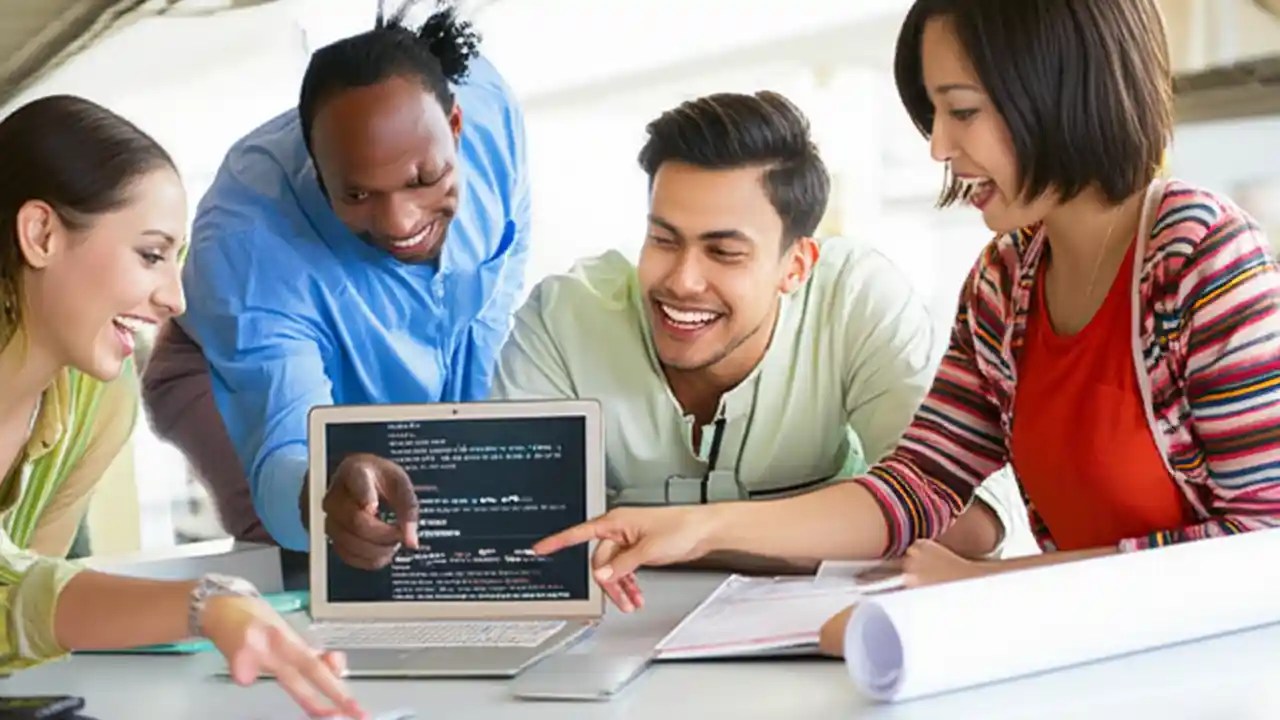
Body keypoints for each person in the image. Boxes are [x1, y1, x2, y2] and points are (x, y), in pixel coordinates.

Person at [531, 0, 1280, 637]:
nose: (938, 146)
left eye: (962, 112)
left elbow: (1264, 545)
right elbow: (915, 487)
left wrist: (999, 583)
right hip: (1085, 651)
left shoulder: (1199, 256)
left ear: (1057, 92)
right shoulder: (1004, 283)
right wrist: (699, 527)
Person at [492, 90, 1028, 589]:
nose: (682, 280)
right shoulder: (563, 318)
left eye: (723, 252)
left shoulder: (856, 298)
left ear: (795, 267)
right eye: (663, 239)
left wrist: (699, 532)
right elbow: (506, 535)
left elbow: (971, 523)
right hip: (616, 642)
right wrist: (816, 534)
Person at [0, 95, 364, 718]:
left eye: (178, 260)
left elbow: (16, 616)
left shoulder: (97, 404)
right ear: (42, 234)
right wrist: (205, 604)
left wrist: (212, 607)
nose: (175, 297)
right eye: (150, 254)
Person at [140, 3, 530, 567]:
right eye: (357, 195)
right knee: (321, 558)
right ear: (316, 173)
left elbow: (501, 273)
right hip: (231, 374)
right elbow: (286, 444)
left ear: (455, 125)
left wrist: (460, 434)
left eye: (425, 178)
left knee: (439, 547)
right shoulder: (248, 243)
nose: (401, 223)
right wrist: (321, 500)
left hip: (412, 358)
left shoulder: (489, 105)